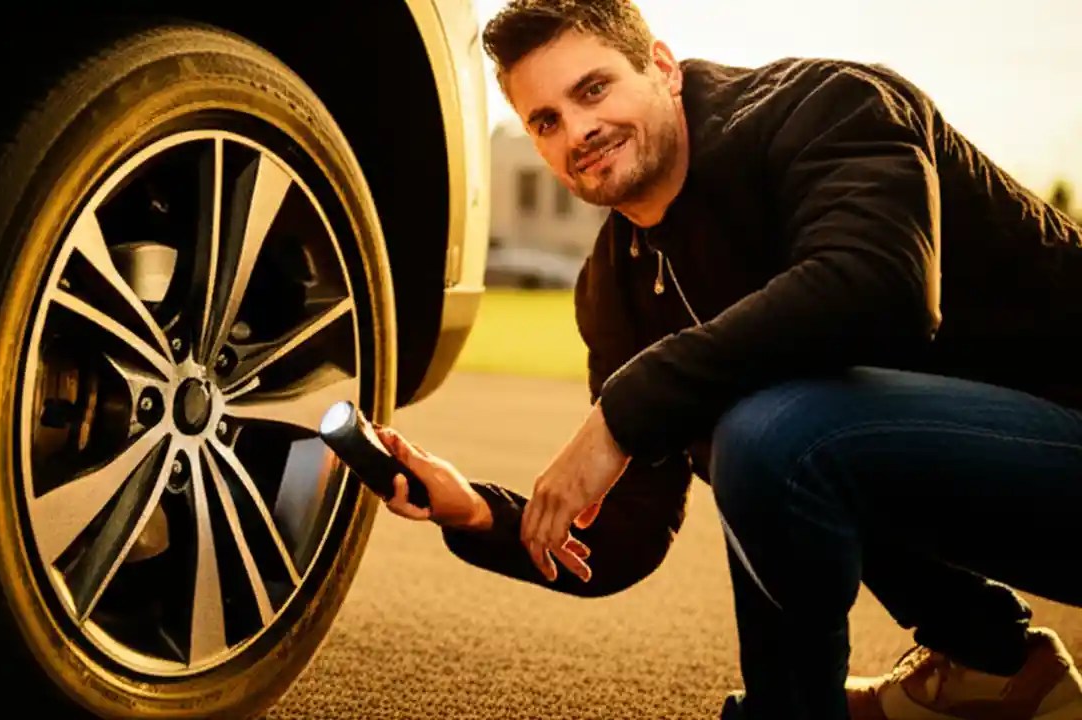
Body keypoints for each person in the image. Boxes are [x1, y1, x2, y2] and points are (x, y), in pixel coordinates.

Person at [372, 0, 1082, 718]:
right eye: (545, 121)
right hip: (993, 493)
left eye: (593, 90)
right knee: (746, 422)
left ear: (662, 67)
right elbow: (628, 531)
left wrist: (627, 405)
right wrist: (476, 513)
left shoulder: (829, 105)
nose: (577, 132)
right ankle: (992, 666)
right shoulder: (615, 286)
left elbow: (881, 285)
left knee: (772, 428)